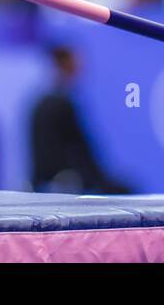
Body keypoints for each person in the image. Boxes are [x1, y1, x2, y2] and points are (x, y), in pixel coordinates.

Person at [29, 46, 130, 194]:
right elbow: (78, 151)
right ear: (63, 64)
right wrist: (100, 181)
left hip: (52, 181)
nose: (80, 66)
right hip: (65, 182)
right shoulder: (59, 104)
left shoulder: (42, 102)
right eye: (74, 61)